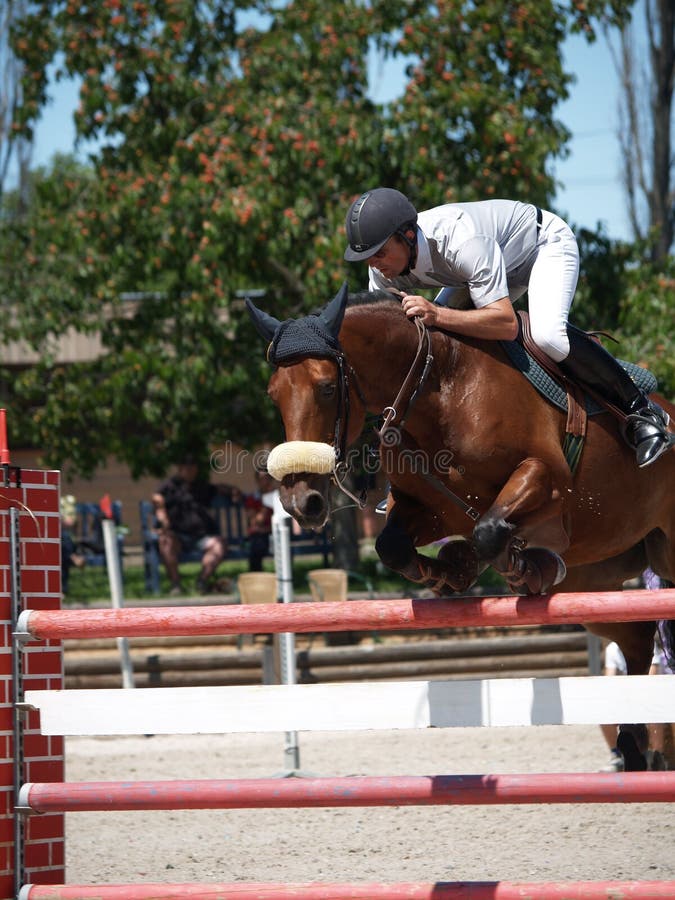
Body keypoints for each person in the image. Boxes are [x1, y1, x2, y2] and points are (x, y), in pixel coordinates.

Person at [343, 187, 672, 467]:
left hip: (541, 247)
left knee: (548, 336)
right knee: (433, 341)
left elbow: (504, 323)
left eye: (381, 253)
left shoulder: (461, 239)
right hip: (478, 270)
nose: (376, 264)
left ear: (409, 236)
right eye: (369, 257)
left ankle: (642, 413)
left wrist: (438, 315)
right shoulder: (382, 272)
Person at [599, 568, 674, 772]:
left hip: (648, 688)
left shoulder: (650, 647)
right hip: (634, 689)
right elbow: (610, 678)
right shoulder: (614, 649)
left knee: (655, 710)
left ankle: (657, 753)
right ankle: (617, 754)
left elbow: (652, 673)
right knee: (605, 711)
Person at [152, 455, 228, 595]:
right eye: (187, 468)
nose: (191, 471)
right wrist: (161, 510)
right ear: (180, 469)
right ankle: (176, 584)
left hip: (201, 537)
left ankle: (202, 581)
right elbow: (156, 497)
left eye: (193, 468)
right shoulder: (170, 486)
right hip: (178, 537)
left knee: (219, 544)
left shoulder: (201, 486)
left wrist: (233, 491)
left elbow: (218, 489)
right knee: (165, 541)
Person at [242, 470, 274, 572]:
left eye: (267, 478)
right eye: (262, 479)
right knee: (256, 545)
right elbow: (255, 522)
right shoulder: (252, 499)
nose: (265, 482)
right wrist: (266, 501)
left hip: (273, 532)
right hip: (259, 535)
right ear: (257, 481)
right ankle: (256, 577)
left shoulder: (278, 497)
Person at [60, 494, 85, 597]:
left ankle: (74, 556)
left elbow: (71, 522)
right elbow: (68, 521)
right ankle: (74, 557)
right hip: (61, 538)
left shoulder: (68, 507)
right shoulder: (62, 506)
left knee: (66, 540)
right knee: (65, 539)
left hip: (65, 541)